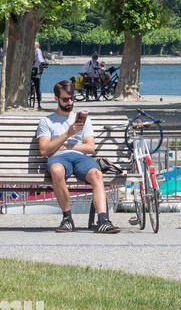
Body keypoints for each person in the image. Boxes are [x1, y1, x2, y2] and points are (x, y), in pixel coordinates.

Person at [36, 81, 119, 234]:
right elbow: (44, 150)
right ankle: (67, 219)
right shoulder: (46, 121)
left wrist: (64, 145)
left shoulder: (83, 120)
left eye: (72, 98)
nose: (70, 102)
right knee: (56, 170)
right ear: (56, 99)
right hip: (59, 158)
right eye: (65, 99)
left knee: (96, 173)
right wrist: (68, 134)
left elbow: (90, 147)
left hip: (80, 157)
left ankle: (103, 220)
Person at [32, 40, 45, 108]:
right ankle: (39, 103)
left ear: (36, 46)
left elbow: (40, 60)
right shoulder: (34, 50)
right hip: (35, 71)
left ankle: (39, 103)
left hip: (35, 70)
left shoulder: (37, 51)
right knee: (37, 87)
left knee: (37, 87)